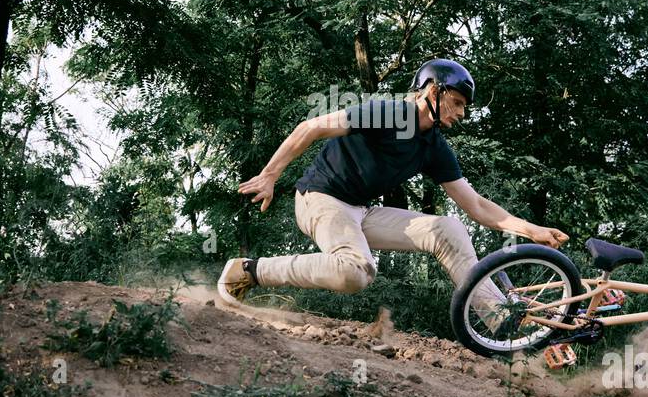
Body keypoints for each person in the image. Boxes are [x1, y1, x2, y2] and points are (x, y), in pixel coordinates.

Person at [217, 58, 569, 322]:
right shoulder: (386, 113)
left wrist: (530, 229)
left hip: (361, 212)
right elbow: (311, 127)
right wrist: (269, 175)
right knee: (355, 271)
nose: (462, 113)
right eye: (458, 102)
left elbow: (475, 205)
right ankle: (247, 270)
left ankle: (501, 320)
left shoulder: (433, 146)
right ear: (434, 92)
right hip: (320, 199)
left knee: (448, 228)